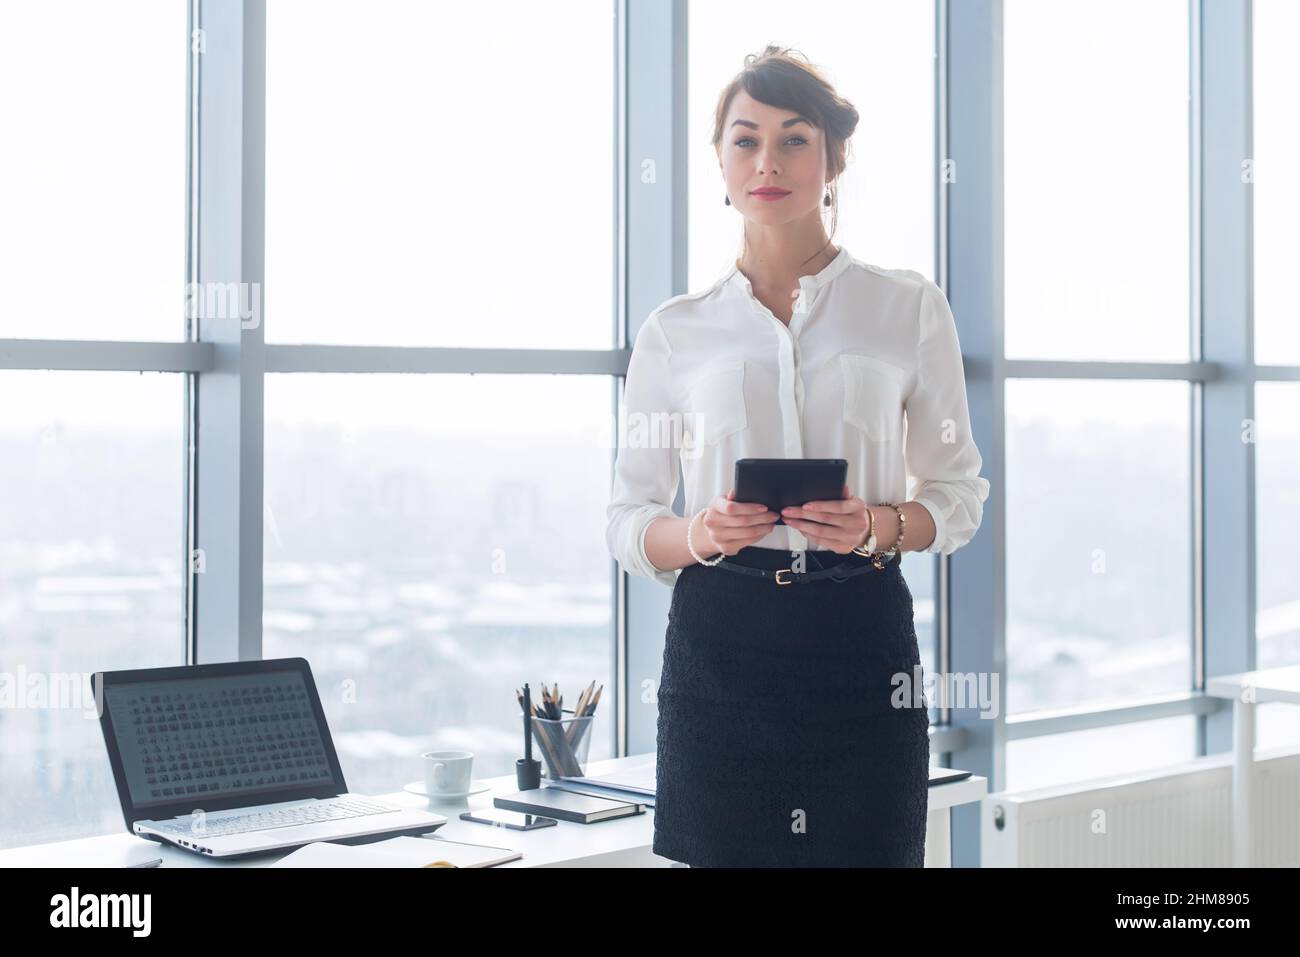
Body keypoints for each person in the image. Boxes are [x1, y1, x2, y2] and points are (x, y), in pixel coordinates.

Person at [605, 45, 990, 867]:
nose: (767, 161)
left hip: (862, 643)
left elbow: (958, 495)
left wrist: (879, 524)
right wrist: (703, 532)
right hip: (721, 653)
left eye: (794, 139)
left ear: (833, 158)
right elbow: (628, 519)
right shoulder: (676, 330)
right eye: (745, 140)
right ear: (719, 161)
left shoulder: (908, 308)